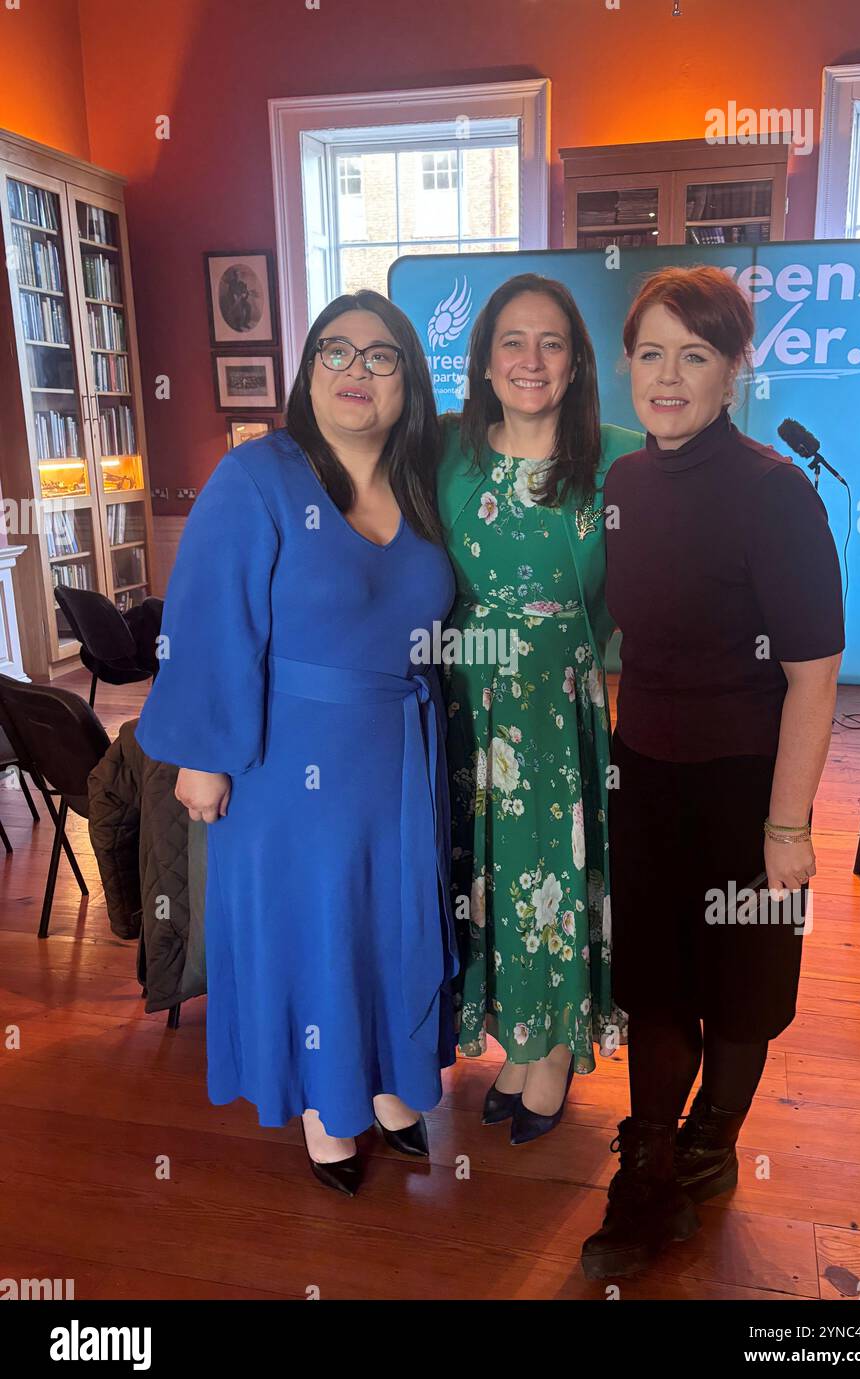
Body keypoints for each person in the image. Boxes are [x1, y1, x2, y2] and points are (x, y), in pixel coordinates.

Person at [135, 290, 458, 1197]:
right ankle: (327, 1107)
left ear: (409, 381)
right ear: (307, 370)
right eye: (336, 352)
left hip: (399, 756)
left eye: (382, 356)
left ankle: (393, 1084)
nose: (357, 371)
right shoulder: (258, 477)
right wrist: (202, 756)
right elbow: (208, 618)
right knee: (316, 931)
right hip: (287, 762)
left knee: (390, 924)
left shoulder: (424, 482)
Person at [581, 265, 845, 1278]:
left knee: (737, 985)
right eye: (649, 352)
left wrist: (786, 829)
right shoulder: (622, 482)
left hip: (746, 783)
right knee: (654, 981)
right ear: (626, 363)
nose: (666, 376)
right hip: (643, 771)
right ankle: (646, 1156)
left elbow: (813, 679)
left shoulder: (773, 492)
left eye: (693, 355)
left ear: (735, 369)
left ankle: (706, 1148)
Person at [437, 273, 643, 1142]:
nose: (530, 359)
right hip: (461, 697)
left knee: (552, 879)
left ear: (575, 361)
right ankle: (513, 1042)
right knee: (480, 878)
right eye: (511, 342)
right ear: (483, 360)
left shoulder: (618, 456)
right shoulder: (443, 449)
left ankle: (553, 1049)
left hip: (558, 709)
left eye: (550, 342)